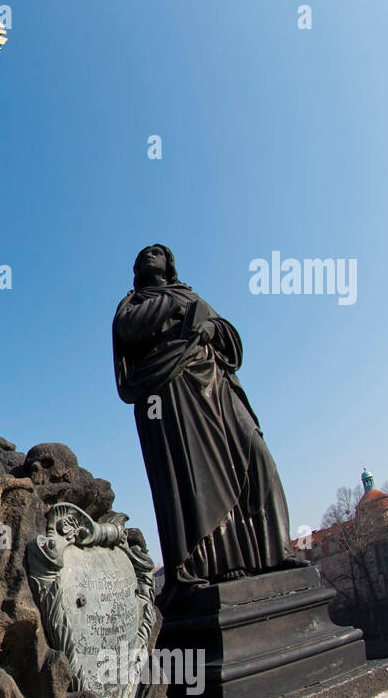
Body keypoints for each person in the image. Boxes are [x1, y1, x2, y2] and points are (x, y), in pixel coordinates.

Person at [113, 245, 298, 609]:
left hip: (215, 384)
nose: (151, 255)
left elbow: (229, 336)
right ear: (137, 269)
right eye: (144, 255)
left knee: (256, 455)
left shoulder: (189, 294)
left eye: (158, 252)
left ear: (169, 264)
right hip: (173, 389)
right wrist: (176, 308)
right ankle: (217, 564)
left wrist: (212, 326)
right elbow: (129, 329)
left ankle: (275, 550)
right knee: (196, 476)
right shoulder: (133, 303)